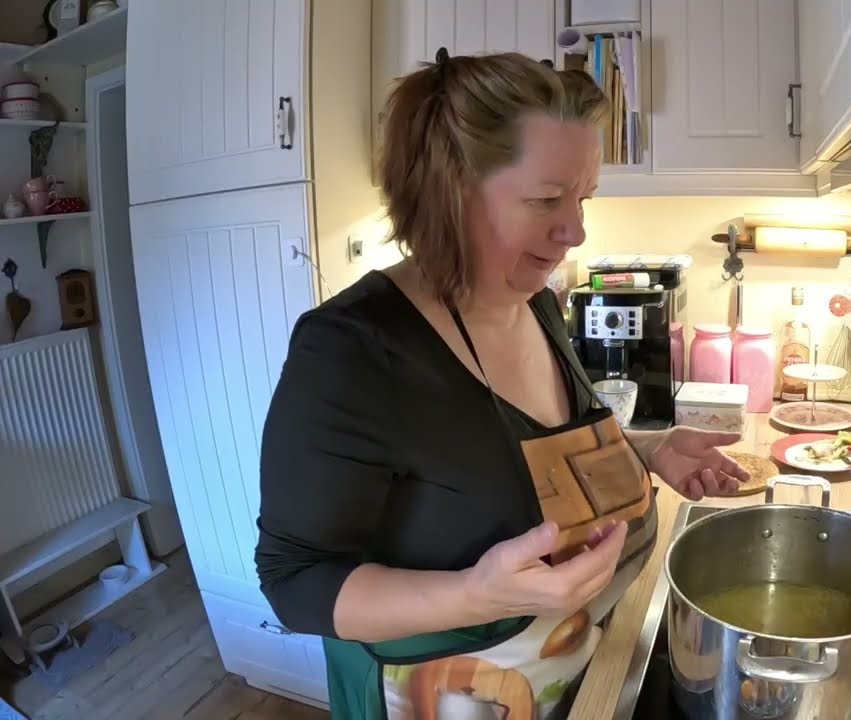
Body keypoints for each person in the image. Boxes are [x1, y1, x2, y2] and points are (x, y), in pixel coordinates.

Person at [254, 49, 749, 720]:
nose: (575, 230)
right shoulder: (352, 351)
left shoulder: (536, 303)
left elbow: (520, 452)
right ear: (447, 189)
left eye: (582, 198)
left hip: (565, 677)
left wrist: (647, 449)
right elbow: (294, 582)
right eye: (547, 199)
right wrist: (477, 594)